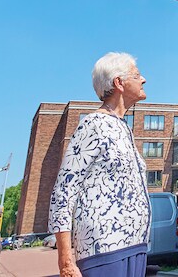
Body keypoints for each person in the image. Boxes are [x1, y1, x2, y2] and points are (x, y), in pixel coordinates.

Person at [50, 52, 151, 277]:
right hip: (104, 251)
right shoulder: (93, 124)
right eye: (137, 75)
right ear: (119, 82)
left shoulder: (123, 127)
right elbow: (63, 191)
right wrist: (65, 259)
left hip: (135, 246)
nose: (143, 79)